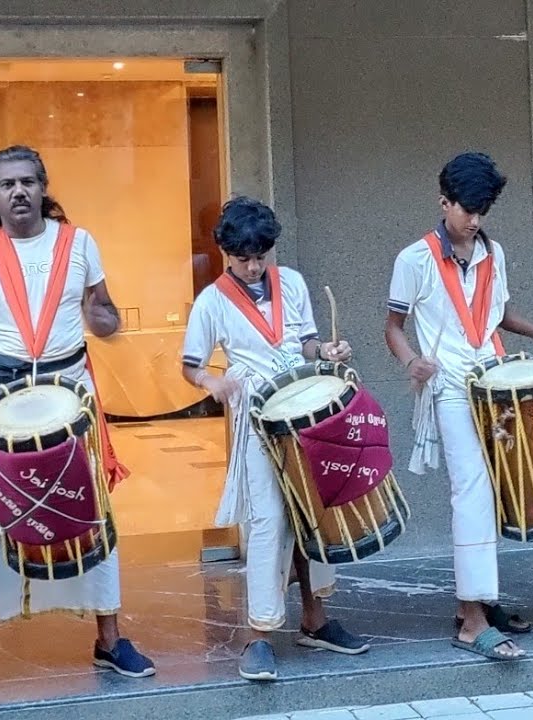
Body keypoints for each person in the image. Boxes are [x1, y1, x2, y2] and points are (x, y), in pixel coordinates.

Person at [0, 145, 154, 712]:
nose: (18, 191)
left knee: (93, 513)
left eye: (27, 181)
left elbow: (104, 313)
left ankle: (109, 638)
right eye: (7, 184)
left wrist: (107, 320)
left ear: (43, 186)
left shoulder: (79, 243)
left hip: (69, 397)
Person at [385, 152, 533, 662]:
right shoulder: (414, 259)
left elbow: (500, 314)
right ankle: (470, 620)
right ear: (444, 202)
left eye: (482, 211)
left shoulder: (494, 251)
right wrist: (411, 362)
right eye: (467, 210)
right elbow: (393, 327)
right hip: (448, 387)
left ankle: (482, 600)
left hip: (496, 382)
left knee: (495, 492)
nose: (474, 220)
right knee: (470, 491)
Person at [180, 195, 366, 681]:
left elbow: (304, 341)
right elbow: (190, 364)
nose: (254, 265)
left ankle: (315, 619)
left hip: (302, 408)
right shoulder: (212, 301)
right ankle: (257, 636)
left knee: (314, 513)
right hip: (257, 417)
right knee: (266, 523)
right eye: (244, 258)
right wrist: (212, 382)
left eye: (262, 256)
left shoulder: (294, 283)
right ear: (226, 252)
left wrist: (326, 348)